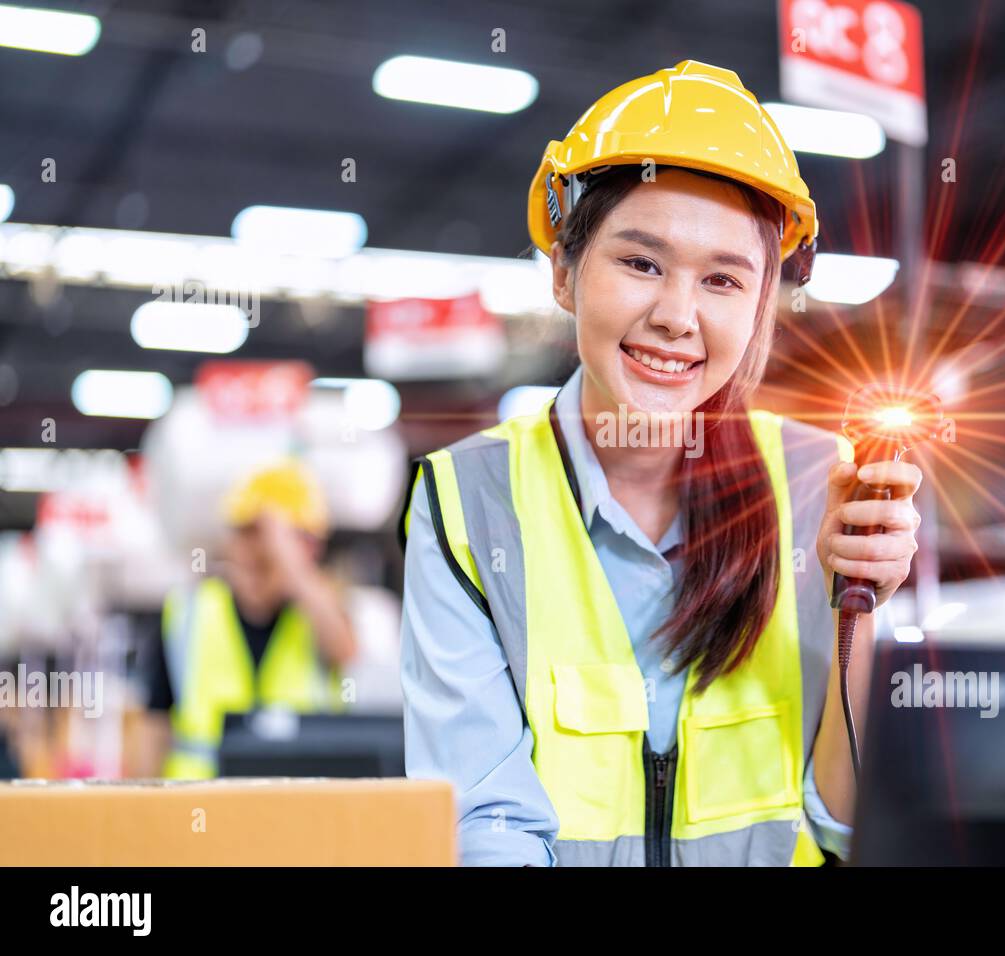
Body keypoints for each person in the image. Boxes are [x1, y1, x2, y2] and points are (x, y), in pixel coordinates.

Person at [399, 60, 922, 866]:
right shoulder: (467, 499)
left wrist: (858, 607)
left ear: (757, 310)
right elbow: (485, 826)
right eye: (641, 263)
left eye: (722, 279)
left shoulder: (825, 481)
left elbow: (844, 828)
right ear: (565, 273)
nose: (678, 317)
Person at [138, 459, 358, 778]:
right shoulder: (188, 613)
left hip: (297, 815)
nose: (253, 553)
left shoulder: (319, 611)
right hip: (200, 813)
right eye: (244, 534)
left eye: (267, 542)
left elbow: (345, 650)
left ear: (307, 551)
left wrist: (290, 562)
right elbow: (152, 732)